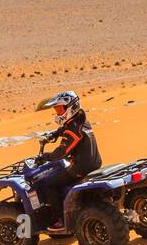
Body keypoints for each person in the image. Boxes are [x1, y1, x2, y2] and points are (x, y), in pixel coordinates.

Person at [32, 91, 102, 230]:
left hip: (81, 168)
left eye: (60, 109)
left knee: (50, 185)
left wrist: (45, 157)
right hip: (94, 163)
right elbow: (65, 128)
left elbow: (62, 152)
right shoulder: (82, 120)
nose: (58, 113)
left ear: (71, 107)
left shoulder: (73, 129)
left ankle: (61, 220)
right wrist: (54, 134)